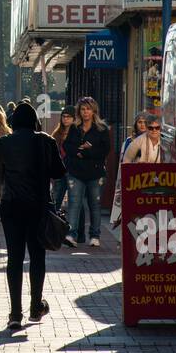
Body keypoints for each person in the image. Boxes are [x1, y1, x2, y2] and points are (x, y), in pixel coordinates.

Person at [0, 102, 66, 330]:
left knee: (14, 258)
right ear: (34, 121)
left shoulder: (3, 142)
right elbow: (59, 172)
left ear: (13, 121)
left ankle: (15, 313)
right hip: (38, 206)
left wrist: (0, 199)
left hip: (12, 206)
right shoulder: (46, 141)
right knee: (37, 256)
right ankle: (36, 306)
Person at [63, 96, 112, 248]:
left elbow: (105, 150)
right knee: (74, 203)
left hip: (95, 173)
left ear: (94, 111)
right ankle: (72, 235)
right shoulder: (74, 127)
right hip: (76, 171)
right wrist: (78, 151)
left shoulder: (102, 128)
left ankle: (95, 235)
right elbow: (67, 146)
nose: (85, 112)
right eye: (83, 109)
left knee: (95, 204)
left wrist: (87, 152)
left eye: (88, 109)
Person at [111, 113, 150, 231]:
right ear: (135, 124)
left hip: (149, 178)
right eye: (140, 122)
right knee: (130, 209)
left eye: (145, 122)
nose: (142, 125)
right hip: (132, 178)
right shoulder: (129, 141)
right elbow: (124, 161)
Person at [51, 107, 77, 212]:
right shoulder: (56, 134)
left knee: (75, 201)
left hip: (74, 171)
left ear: (74, 118)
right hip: (60, 171)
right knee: (56, 200)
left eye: (68, 117)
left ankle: (74, 226)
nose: (65, 119)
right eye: (63, 116)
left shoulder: (78, 133)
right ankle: (54, 224)